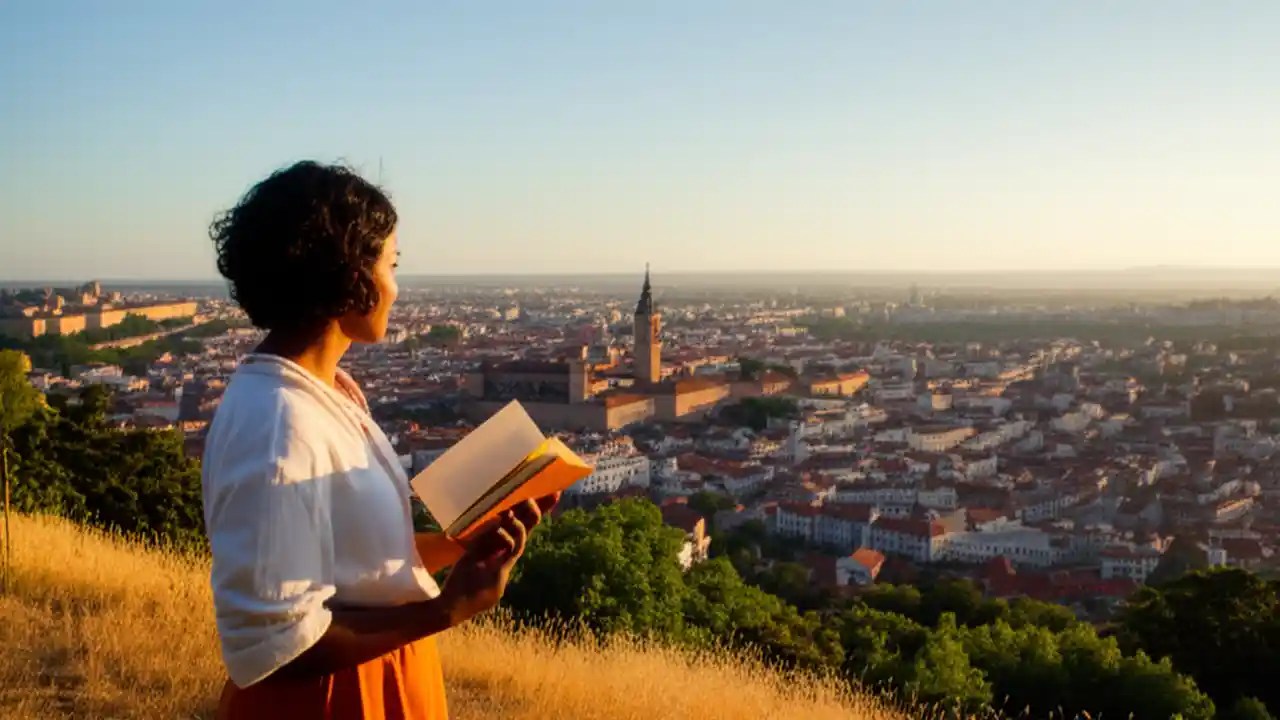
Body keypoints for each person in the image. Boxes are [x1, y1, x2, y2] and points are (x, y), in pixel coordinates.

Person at [202, 160, 557, 719]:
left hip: (373, 682)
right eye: (391, 264)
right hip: (330, 700)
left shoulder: (324, 393)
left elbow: (355, 564)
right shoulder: (278, 425)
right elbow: (270, 648)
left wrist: (463, 545)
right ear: (351, 277)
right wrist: (447, 611)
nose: (396, 285)